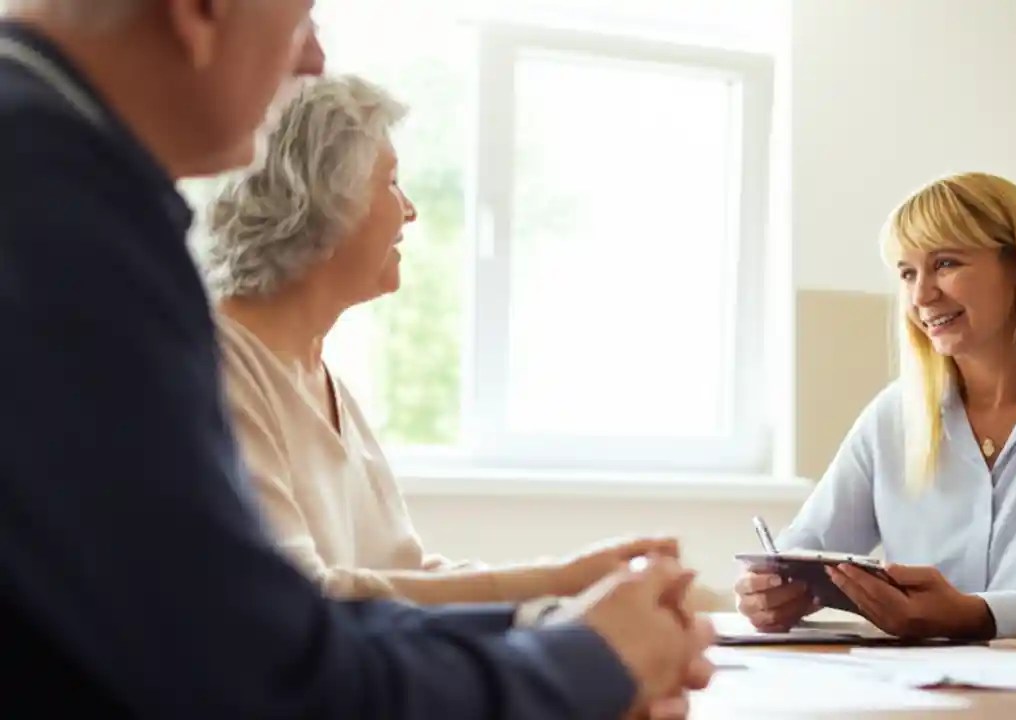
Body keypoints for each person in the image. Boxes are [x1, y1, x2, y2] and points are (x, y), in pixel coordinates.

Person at [0, 1, 710, 717]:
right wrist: (584, 661)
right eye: (302, 16)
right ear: (199, 10)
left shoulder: (71, 184)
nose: (312, 60)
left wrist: (550, 621)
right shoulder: (56, 214)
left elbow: (277, 623)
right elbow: (267, 666)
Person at [199, 73, 676, 607]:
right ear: (324, 200)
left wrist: (577, 594)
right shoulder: (221, 365)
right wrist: (552, 582)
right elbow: (304, 596)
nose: (410, 210)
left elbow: (400, 575)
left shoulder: (318, 374)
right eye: (391, 181)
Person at [735, 173, 1016, 645]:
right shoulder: (893, 417)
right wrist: (770, 593)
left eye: (945, 264)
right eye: (907, 273)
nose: (921, 296)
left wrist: (973, 614)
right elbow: (804, 551)